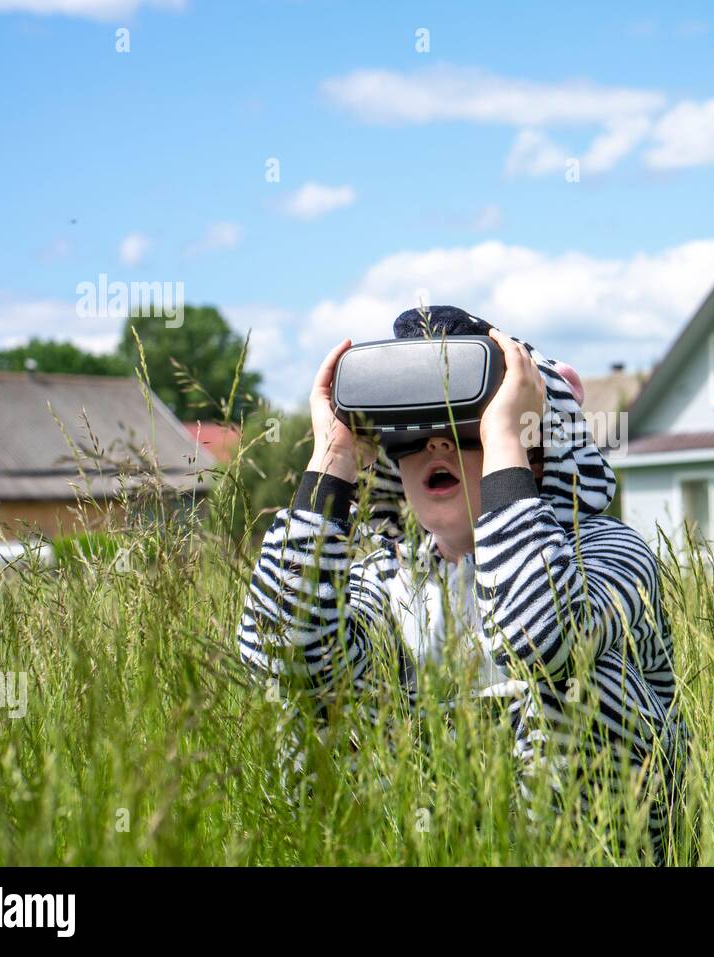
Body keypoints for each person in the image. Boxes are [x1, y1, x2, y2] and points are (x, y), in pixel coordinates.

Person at [236, 305, 686, 862]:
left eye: (464, 425)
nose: (436, 445)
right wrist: (334, 454)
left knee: (573, 692)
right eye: (411, 432)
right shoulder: (387, 577)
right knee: (313, 700)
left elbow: (545, 643)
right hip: (428, 838)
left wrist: (502, 438)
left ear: (539, 444)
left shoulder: (608, 552)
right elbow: (281, 655)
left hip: (578, 843)